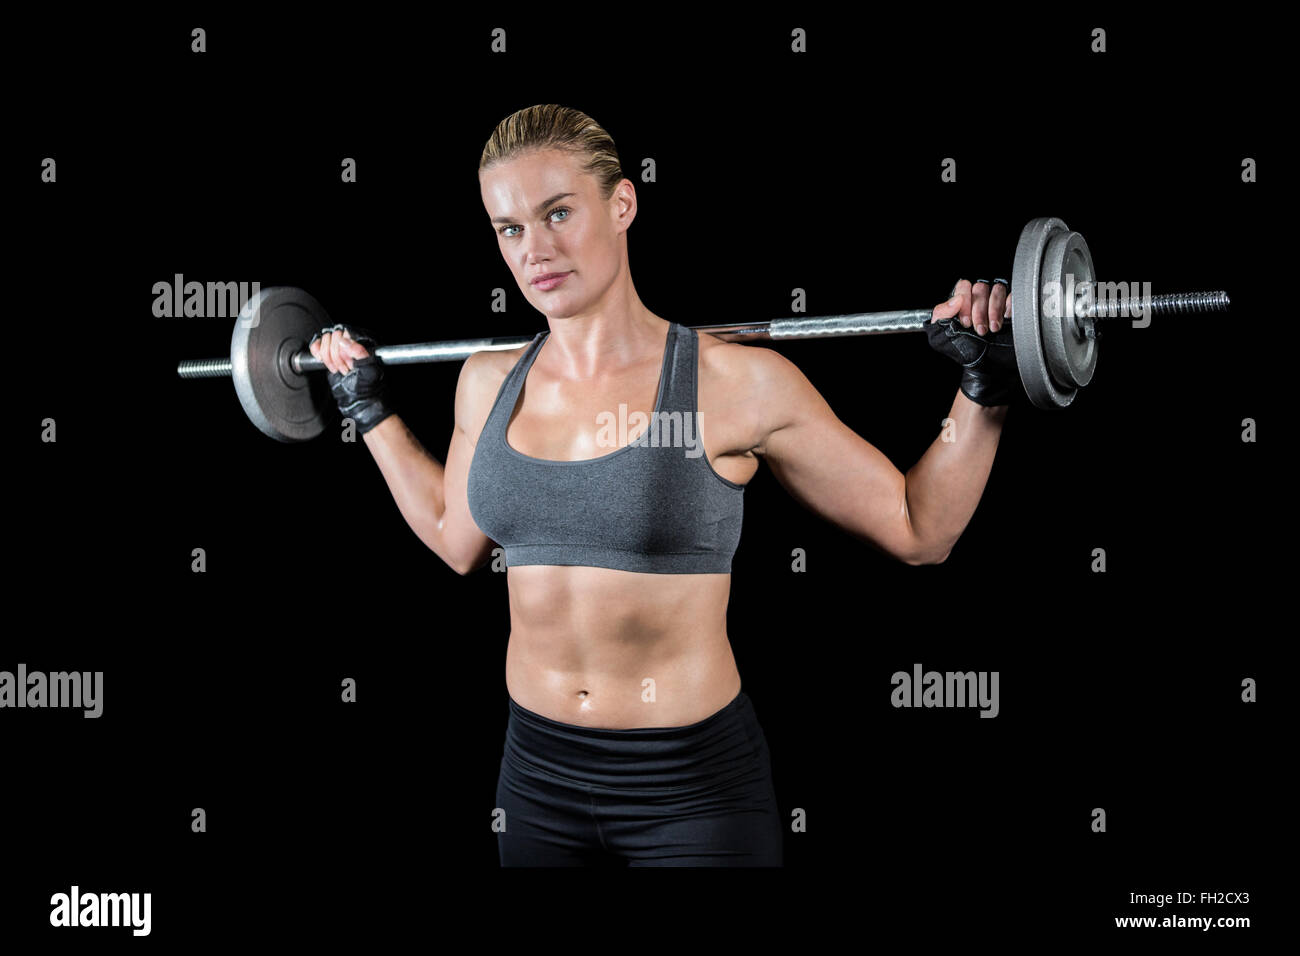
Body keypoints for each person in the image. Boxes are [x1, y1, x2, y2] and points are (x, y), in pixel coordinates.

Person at [307, 104, 1016, 866]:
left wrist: (985, 387)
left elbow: (919, 530)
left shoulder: (736, 384)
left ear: (622, 204)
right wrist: (369, 410)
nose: (535, 250)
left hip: (691, 789)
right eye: (510, 228)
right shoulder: (487, 383)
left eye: (557, 213)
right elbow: (456, 544)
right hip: (534, 776)